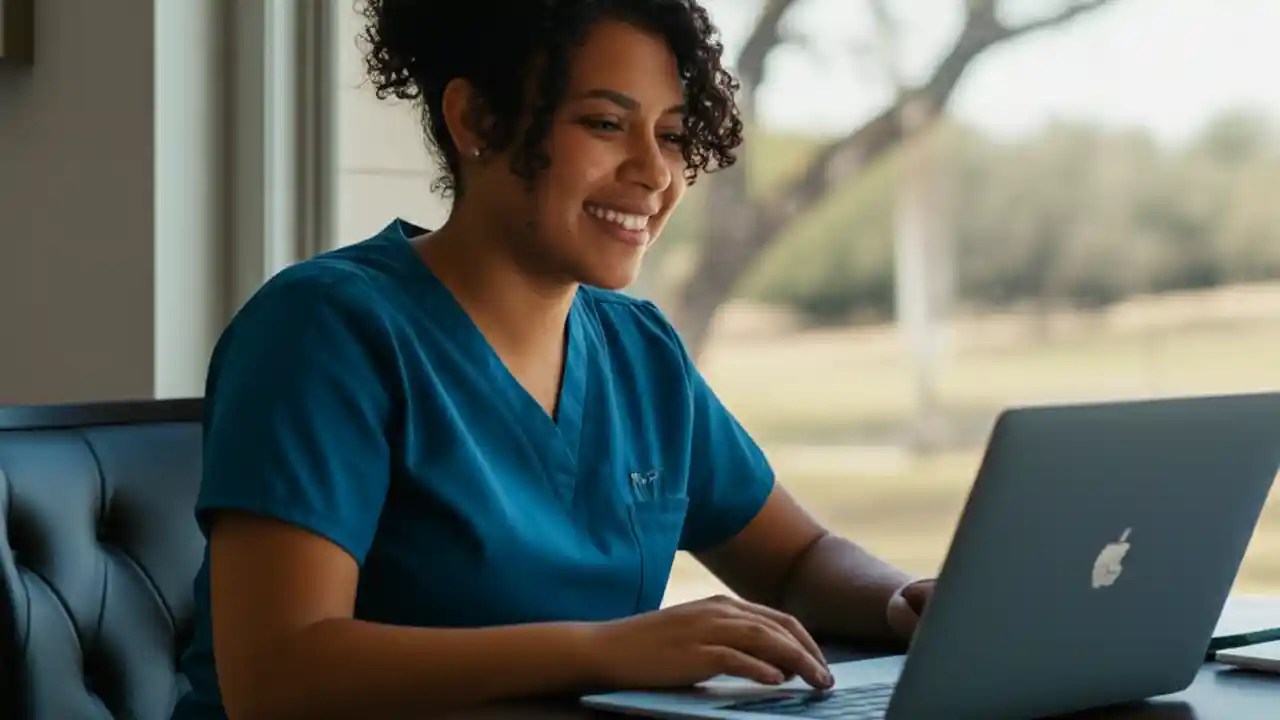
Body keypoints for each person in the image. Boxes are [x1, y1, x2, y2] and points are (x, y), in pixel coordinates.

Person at [170, 1, 935, 719]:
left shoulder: (641, 352)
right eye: (606, 123)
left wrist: (905, 601)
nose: (655, 172)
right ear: (477, 118)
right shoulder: (325, 329)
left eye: (670, 134)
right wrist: (604, 651)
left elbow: (796, 560)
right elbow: (275, 675)